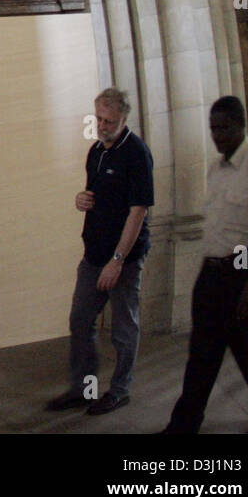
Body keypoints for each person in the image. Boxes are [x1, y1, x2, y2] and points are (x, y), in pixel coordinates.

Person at [161, 96, 248, 434]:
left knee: (246, 348)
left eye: (224, 128)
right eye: (213, 129)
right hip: (212, 270)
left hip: (243, 269)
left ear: (240, 126)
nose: (217, 135)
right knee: (202, 350)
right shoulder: (215, 168)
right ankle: (184, 423)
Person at [46, 87, 153, 416]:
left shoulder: (136, 153)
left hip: (123, 260)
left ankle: (120, 391)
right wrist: (81, 199)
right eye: (98, 119)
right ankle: (84, 389)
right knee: (80, 321)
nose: (102, 125)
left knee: (123, 329)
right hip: (93, 255)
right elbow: (93, 194)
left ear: (123, 119)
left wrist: (117, 262)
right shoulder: (96, 152)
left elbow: (139, 211)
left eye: (109, 120)